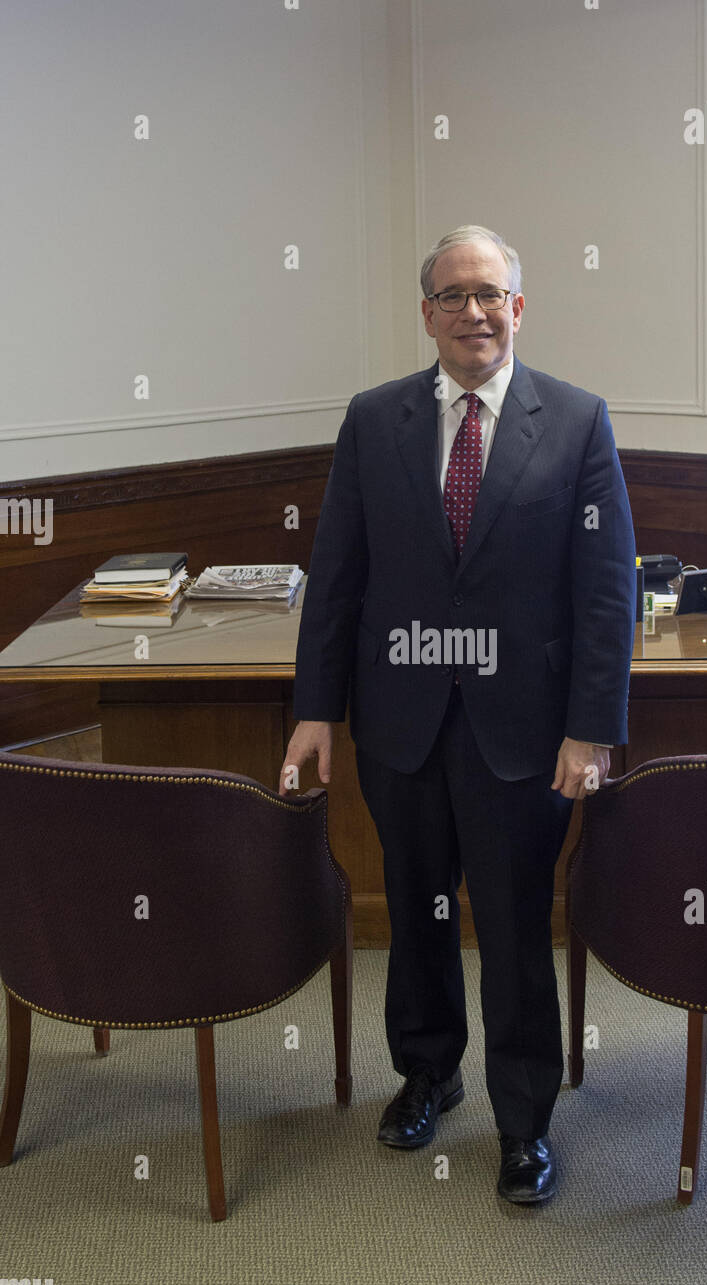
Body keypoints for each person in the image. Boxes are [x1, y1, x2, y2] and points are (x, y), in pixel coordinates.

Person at [280, 224, 635, 1203]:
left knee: (518, 925)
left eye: (490, 294)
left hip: (524, 732)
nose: (472, 311)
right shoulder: (371, 418)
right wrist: (314, 709)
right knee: (417, 907)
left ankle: (522, 1122)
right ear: (426, 311)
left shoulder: (575, 421)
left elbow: (605, 595)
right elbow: (337, 574)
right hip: (400, 722)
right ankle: (424, 1072)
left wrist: (590, 726)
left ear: (516, 308)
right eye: (452, 295)